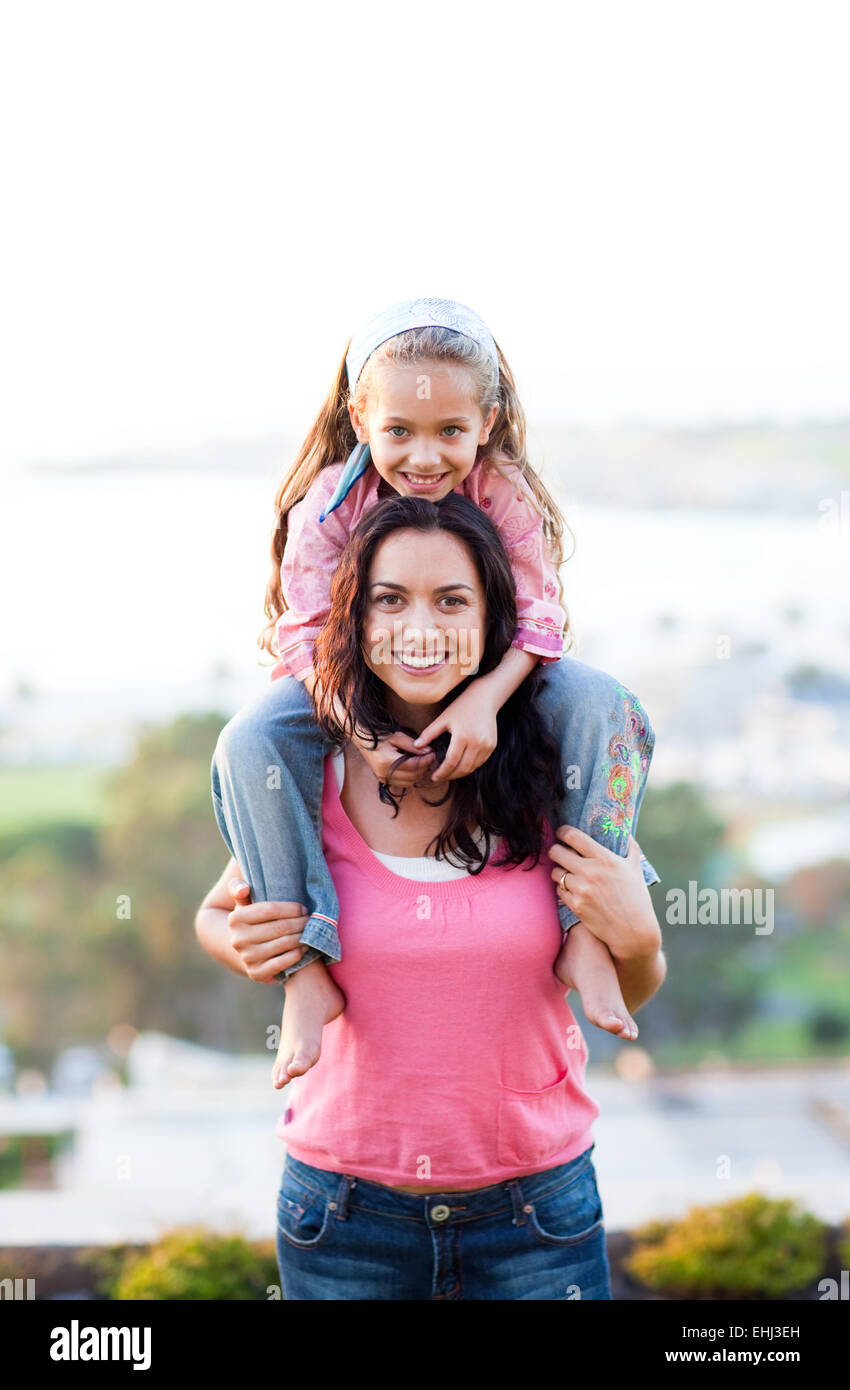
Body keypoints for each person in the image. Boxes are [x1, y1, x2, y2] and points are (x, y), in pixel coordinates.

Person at [196, 493, 667, 1301]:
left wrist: (643, 942)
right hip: (342, 1216)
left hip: (536, 1210)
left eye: (453, 600)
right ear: (354, 619)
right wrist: (247, 948)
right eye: (389, 600)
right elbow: (216, 915)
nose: (421, 626)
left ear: (495, 622)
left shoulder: (557, 778)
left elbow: (635, 990)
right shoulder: (304, 780)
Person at [210, 295, 660, 1083]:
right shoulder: (330, 507)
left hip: (503, 673)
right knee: (251, 739)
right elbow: (306, 636)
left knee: (606, 705)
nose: (425, 457)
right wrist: (357, 733)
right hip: (342, 685)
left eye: (450, 431)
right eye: (400, 432)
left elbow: (544, 615)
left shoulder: (504, 493)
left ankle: (583, 937)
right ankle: (306, 974)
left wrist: (487, 697)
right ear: (360, 417)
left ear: (486, 421)